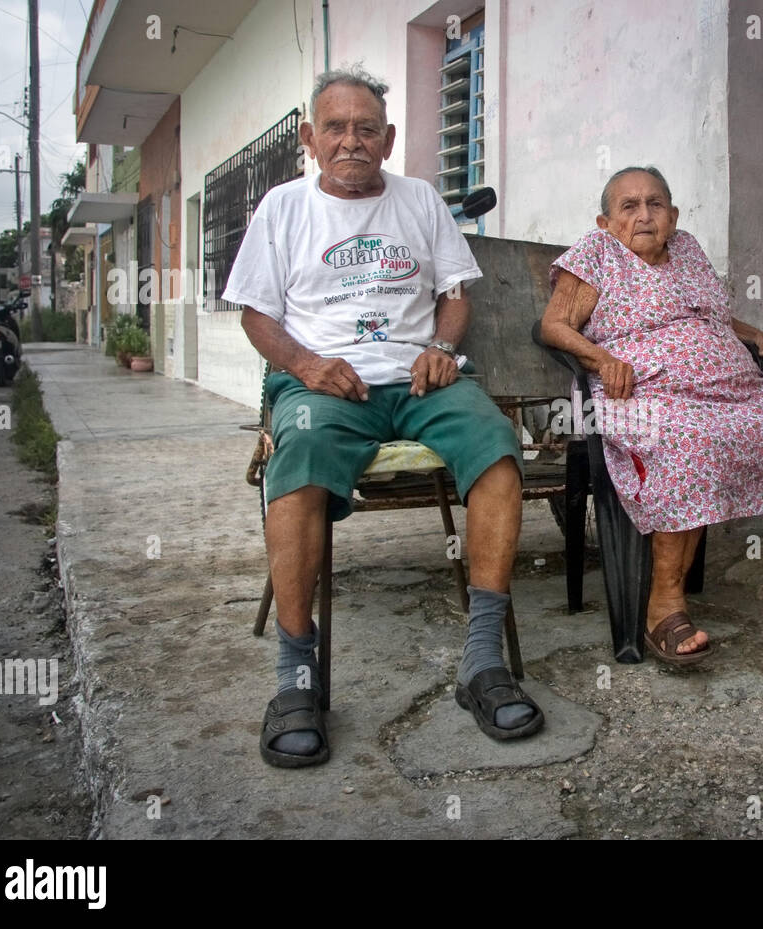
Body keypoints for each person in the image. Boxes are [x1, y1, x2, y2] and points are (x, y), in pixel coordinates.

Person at [225, 67, 542, 768]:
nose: (351, 141)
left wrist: (438, 345)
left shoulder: (420, 201)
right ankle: (297, 679)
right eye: (335, 128)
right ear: (309, 138)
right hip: (325, 385)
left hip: (418, 376)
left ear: (388, 138)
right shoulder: (282, 208)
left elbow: (455, 295)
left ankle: (482, 661)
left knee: (495, 443)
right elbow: (255, 313)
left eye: (366, 128)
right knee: (300, 456)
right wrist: (306, 367)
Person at [539, 166, 763, 665]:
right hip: (643, 392)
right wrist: (601, 359)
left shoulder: (689, 249)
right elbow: (553, 326)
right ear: (606, 221)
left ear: (673, 216)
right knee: (688, 440)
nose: (645, 214)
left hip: (731, 389)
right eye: (629, 206)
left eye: (656, 204)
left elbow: (700, 311)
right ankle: (663, 605)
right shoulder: (596, 253)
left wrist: (749, 332)